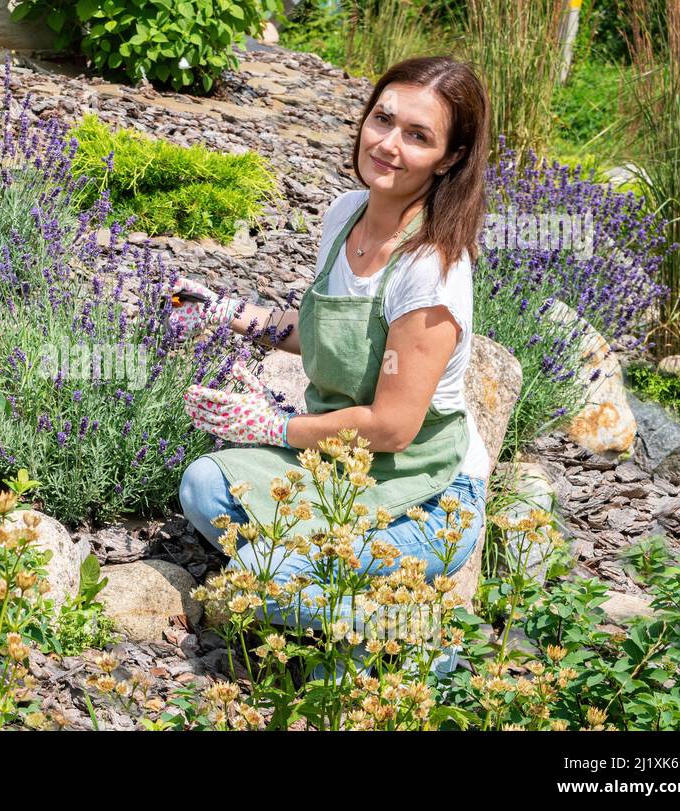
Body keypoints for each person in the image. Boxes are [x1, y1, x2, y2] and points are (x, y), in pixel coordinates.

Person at [174, 55, 491, 637]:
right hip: (339, 465)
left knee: (257, 577)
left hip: (424, 495)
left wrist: (273, 426)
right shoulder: (346, 215)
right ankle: (334, 585)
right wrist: (234, 315)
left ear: (449, 159)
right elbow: (333, 334)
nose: (389, 144)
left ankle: (416, 632)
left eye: (417, 136)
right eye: (383, 120)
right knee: (202, 486)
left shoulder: (432, 269)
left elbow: (394, 427)